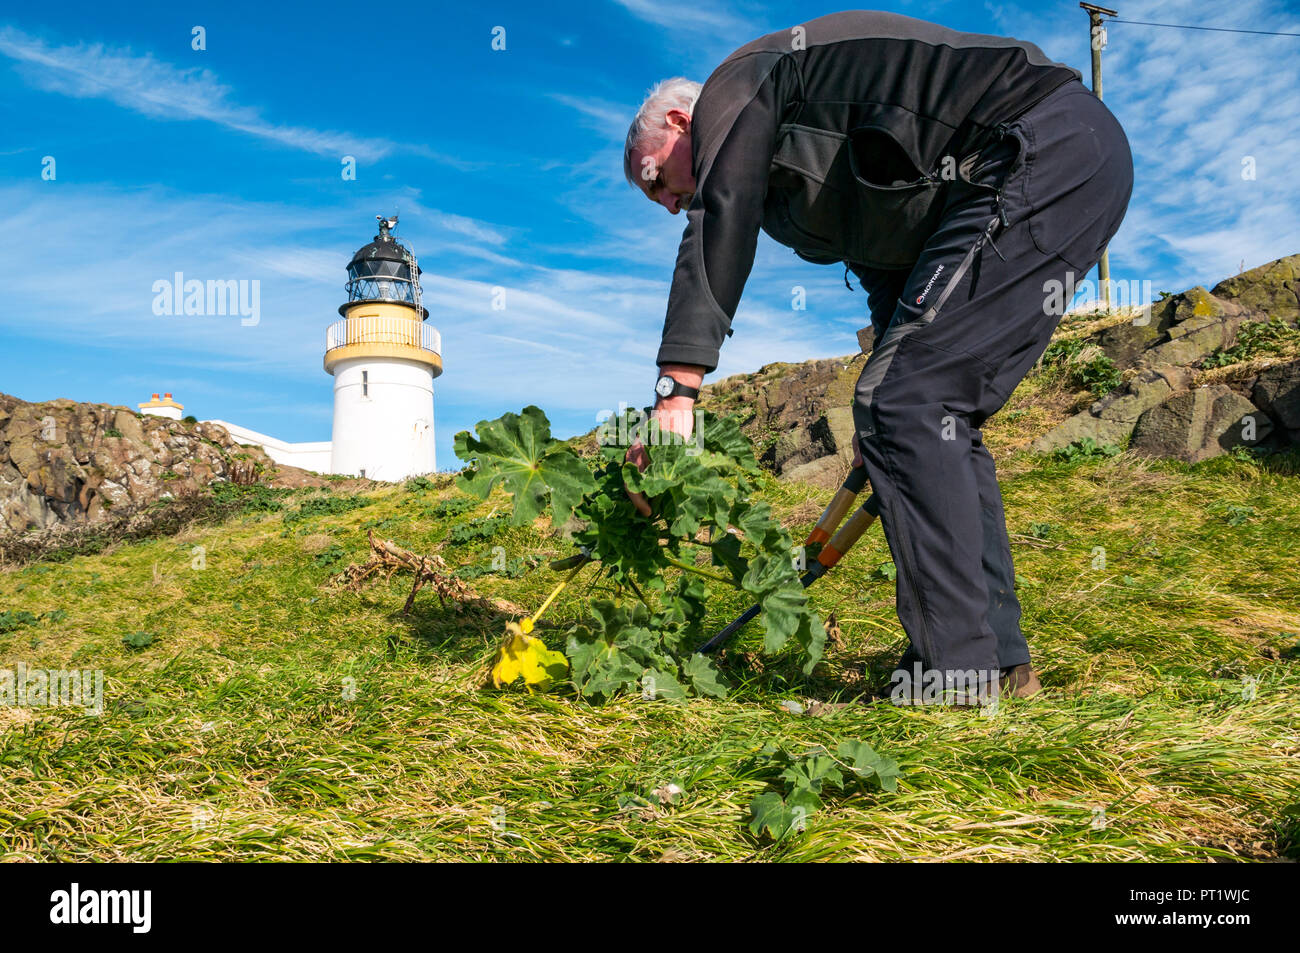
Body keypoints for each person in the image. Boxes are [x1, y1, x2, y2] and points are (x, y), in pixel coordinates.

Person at [622, 10, 1133, 702]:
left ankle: (956, 679)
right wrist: (883, 416)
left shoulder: (740, 83)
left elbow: (721, 205)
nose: (663, 203)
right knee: (924, 411)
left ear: (683, 122)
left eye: (654, 179)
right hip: (1023, 172)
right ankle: (999, 663)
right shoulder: (793, 193)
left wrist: (676, 390)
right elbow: (895, 268)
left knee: (910, 403)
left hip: (1040, 143)